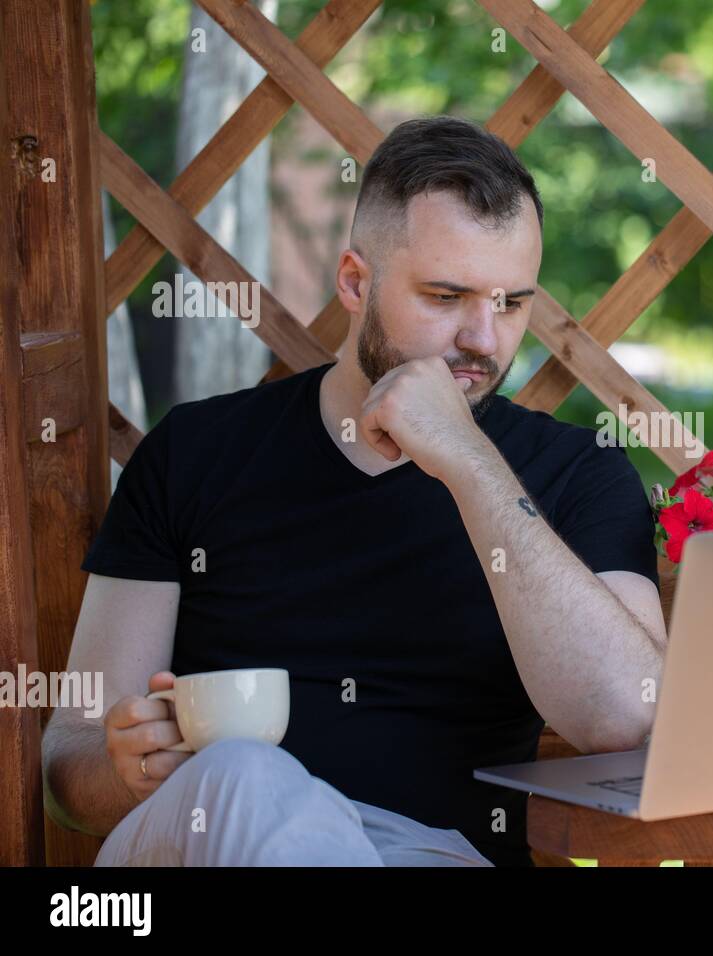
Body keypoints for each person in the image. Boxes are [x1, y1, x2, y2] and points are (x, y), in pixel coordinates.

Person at [41, 116, 667, 867]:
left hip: (433, 856)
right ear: (354, 282)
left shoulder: (576, 475)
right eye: (446, 296)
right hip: (209, 830)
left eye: (510, 303)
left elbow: (626, 714)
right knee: (244, 777)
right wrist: (124, 769)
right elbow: (66, 769)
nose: (484, 338)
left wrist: (468, 460)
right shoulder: (194, 453)